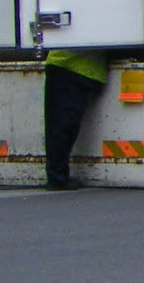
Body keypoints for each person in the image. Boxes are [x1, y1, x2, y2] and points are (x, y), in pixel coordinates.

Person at [43, 47, 106, 189]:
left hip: (67, 66)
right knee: (63, 125)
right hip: (71, 67)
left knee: (61, 124)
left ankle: (57, 176)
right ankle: (57, 177)